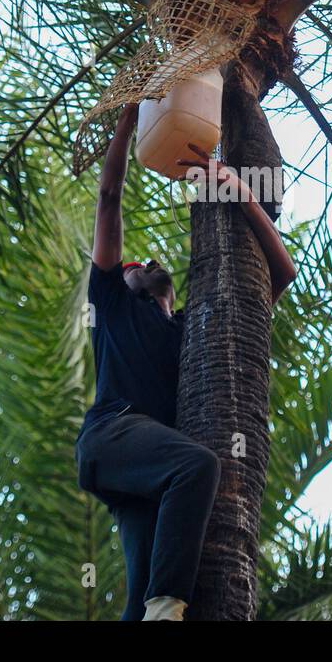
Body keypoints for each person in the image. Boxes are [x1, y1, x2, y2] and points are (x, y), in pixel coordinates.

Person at [75, 103, 297, 621]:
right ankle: (168, 607)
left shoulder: (196, 336)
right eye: (131, 266)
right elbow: (109, 199)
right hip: (112, 435)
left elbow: (279, 275)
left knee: (139, 593)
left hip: (143, 477)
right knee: (198, 465)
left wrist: (241, 195)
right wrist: (127, 125)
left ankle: (156, 606)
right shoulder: (111, 303)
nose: (142, 263)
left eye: (147, 262)